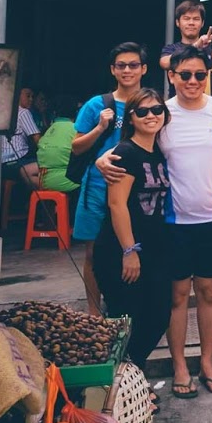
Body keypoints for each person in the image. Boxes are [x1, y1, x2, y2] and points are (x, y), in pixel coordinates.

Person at [103, 44, 212, 398]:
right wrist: (101, 161)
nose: (193, 81)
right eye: (185, 75)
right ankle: (180, 365)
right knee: (178, 295)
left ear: (208, 76)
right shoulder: (160, 113)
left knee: (210, 293)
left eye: (200, 74)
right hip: (173, 223)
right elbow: (132, 147)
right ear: (172, 76)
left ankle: (208, 362)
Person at [93, 89, 173, 372]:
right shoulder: (125, 152)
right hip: (122, 249)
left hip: (154, 248)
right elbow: (117, 205)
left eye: (156, 110)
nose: (151, 116)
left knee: (159, 315)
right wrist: (129, 251)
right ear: (131, 118)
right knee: (126, 318)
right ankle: (117, 382)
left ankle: (130, 374)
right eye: (142, 111)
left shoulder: (159, 151)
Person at [71, 42, 151, 316]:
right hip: (97, 187)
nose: (127, 70)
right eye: (121, 66)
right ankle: (94, 311)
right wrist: (100, 127)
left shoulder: (150, 104)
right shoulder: (97, 105)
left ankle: (130, 309)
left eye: (133, 65)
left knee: (138, 250)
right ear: (112, 70)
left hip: (139, 191)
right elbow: (76, 146)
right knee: (94, 254)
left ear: (144, 69)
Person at [0, 86, 42, 198]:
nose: (31, 99)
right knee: (49, 168)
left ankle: (31, 203)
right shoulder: (24, 112)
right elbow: (37, 138)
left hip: (0, 165)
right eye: (28, 96)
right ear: (17, 95)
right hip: (16, 162)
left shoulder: (2, 112)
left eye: (32, 97)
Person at [33, 100, 81, 196]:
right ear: (76, 113)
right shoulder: (76, 129)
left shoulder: (50, 130)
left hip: (44, 181)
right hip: (68, 181)